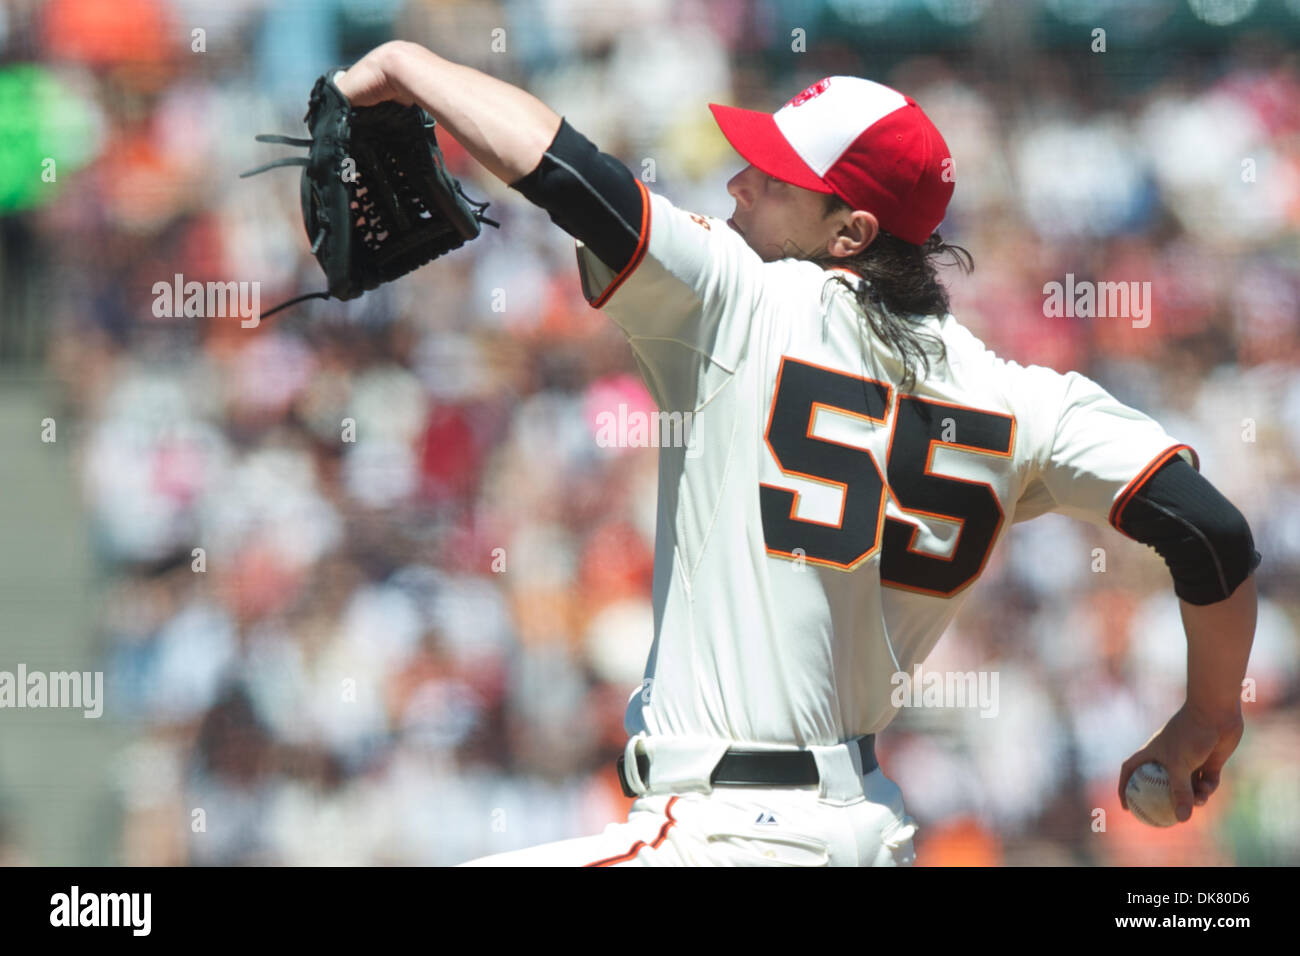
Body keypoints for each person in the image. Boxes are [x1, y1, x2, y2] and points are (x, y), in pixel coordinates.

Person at [334, 41, 1260, 866]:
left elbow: (566, 171)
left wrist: (411, 65)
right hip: (866, 830)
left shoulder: (744, 303)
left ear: (850, 233)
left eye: (772, 177)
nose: (738, 183)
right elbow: (1210, 531)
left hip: (725, 833)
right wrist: (1208, 714)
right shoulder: (1023, 398)